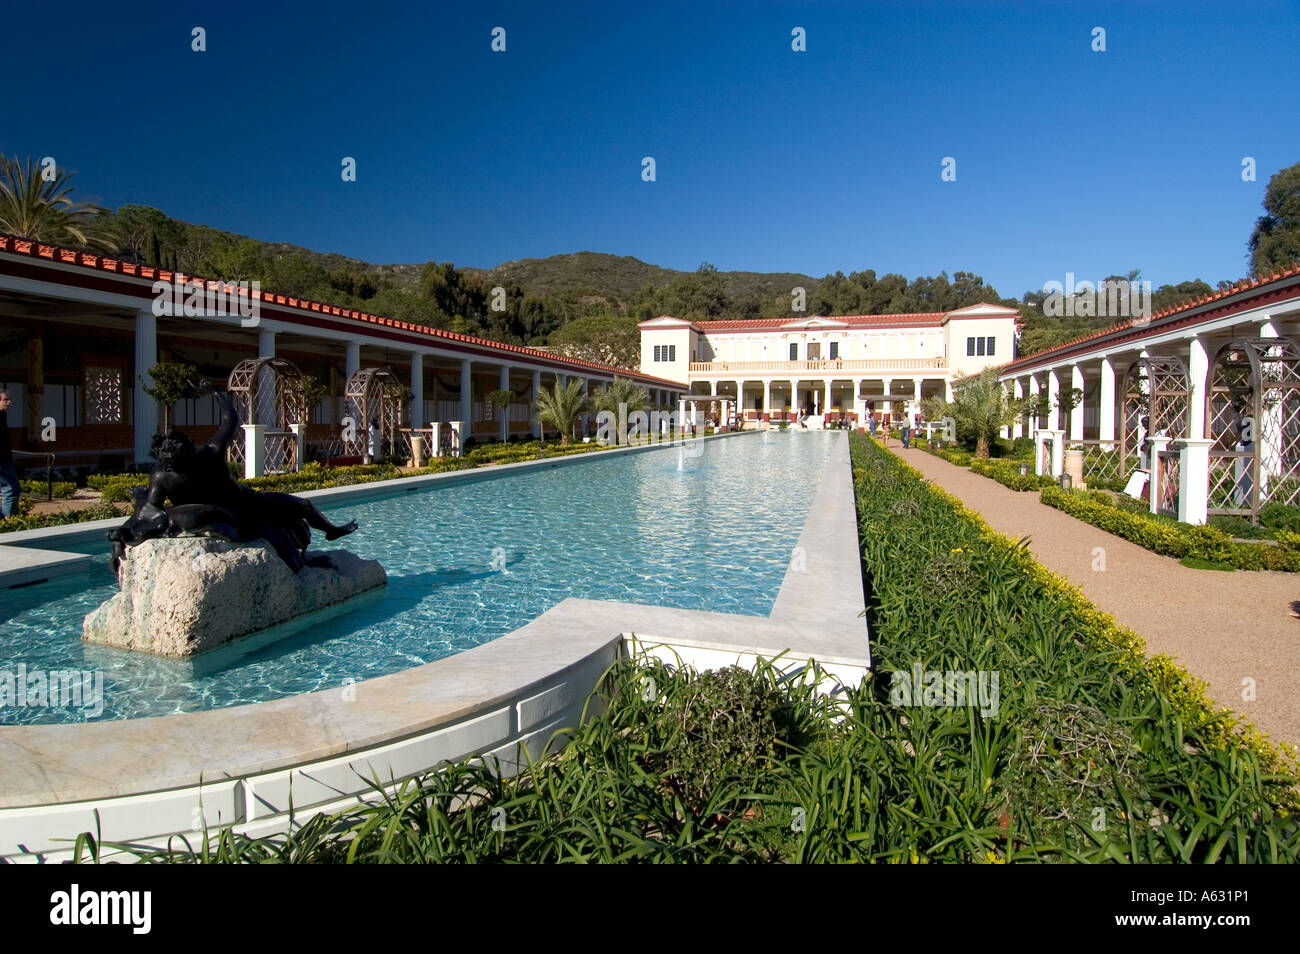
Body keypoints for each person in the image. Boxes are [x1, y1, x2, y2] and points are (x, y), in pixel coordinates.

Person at [0, 389, 19, 519]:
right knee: (11, 488)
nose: (9, 402)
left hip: (5, 459)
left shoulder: (2, 416)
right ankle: (8, 523)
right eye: (5, 399)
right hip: (1, 460)